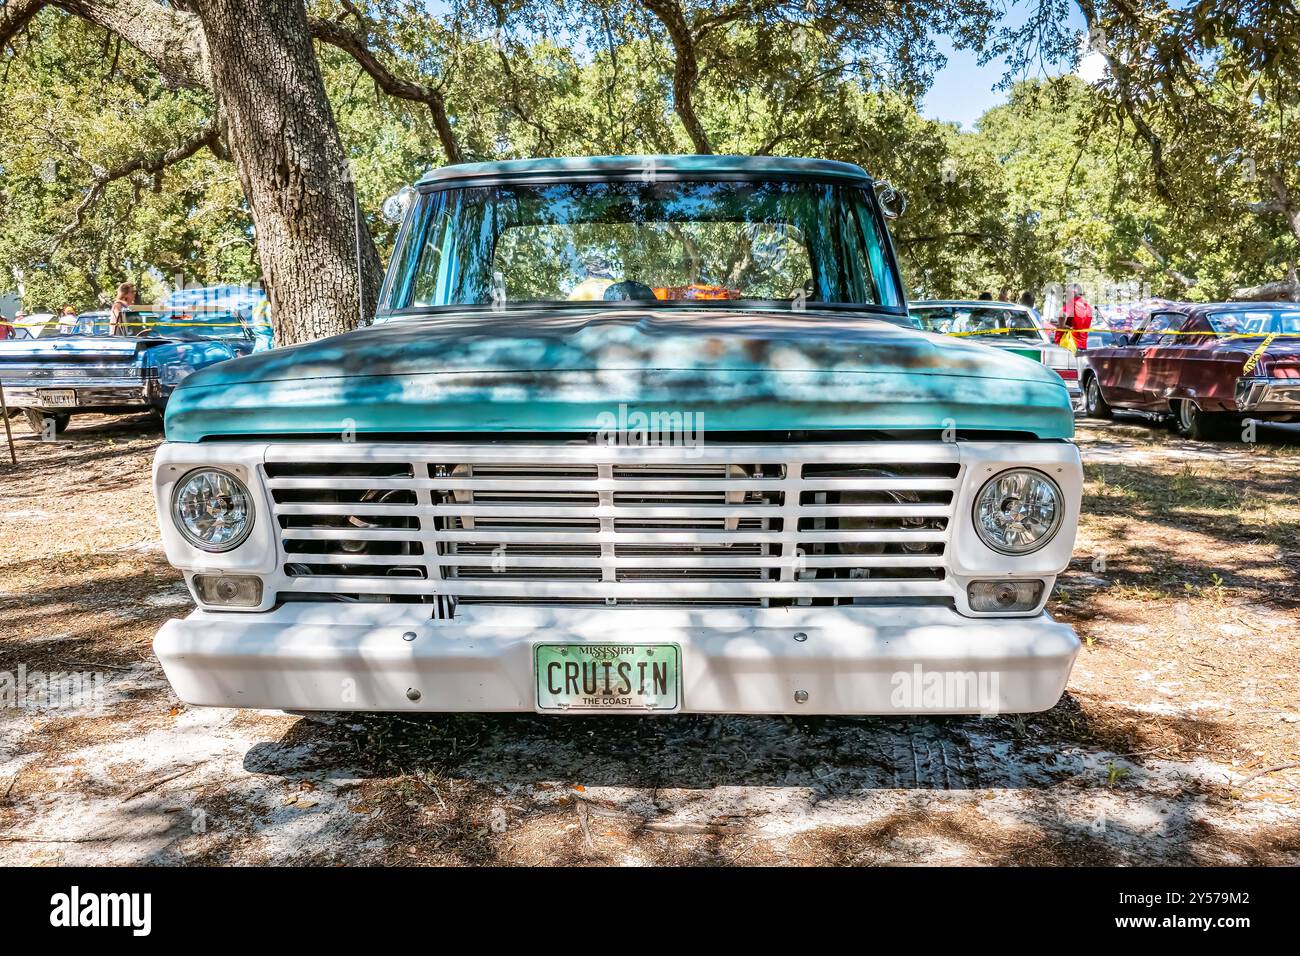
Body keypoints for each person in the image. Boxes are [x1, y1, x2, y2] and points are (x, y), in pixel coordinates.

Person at [1055, 284, 1093, 351]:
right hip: (1083, 346)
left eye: (1067, 293)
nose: (1065, 295)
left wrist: (1062, 326)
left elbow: (1063, 314)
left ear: (1073, 293)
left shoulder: (1072, 303)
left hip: (1069, 344)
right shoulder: (1088, 307)